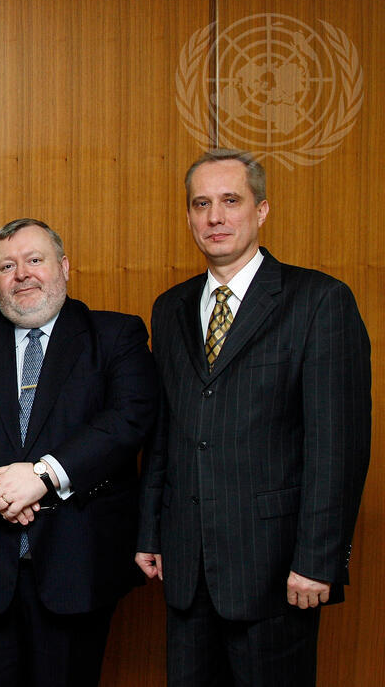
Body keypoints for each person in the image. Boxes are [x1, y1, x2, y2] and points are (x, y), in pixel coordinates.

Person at [136, 149, 371, 687]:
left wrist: (320, 559)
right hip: (187, 566)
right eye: (201, 204)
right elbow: (166, 432)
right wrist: (151, 530)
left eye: (230, 201)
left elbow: (338, 445)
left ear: (261, 211)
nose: (215, 217)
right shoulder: (170, 308)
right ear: (190, 216)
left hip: (277, 569)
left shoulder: (319, 301)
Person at [0, 218, 158, 687]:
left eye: (34, 260)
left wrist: (43, 475)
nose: (21, 274)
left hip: (76, 570)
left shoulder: (115, 336)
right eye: (6, 265)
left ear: (63, 266)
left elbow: (128, 418)